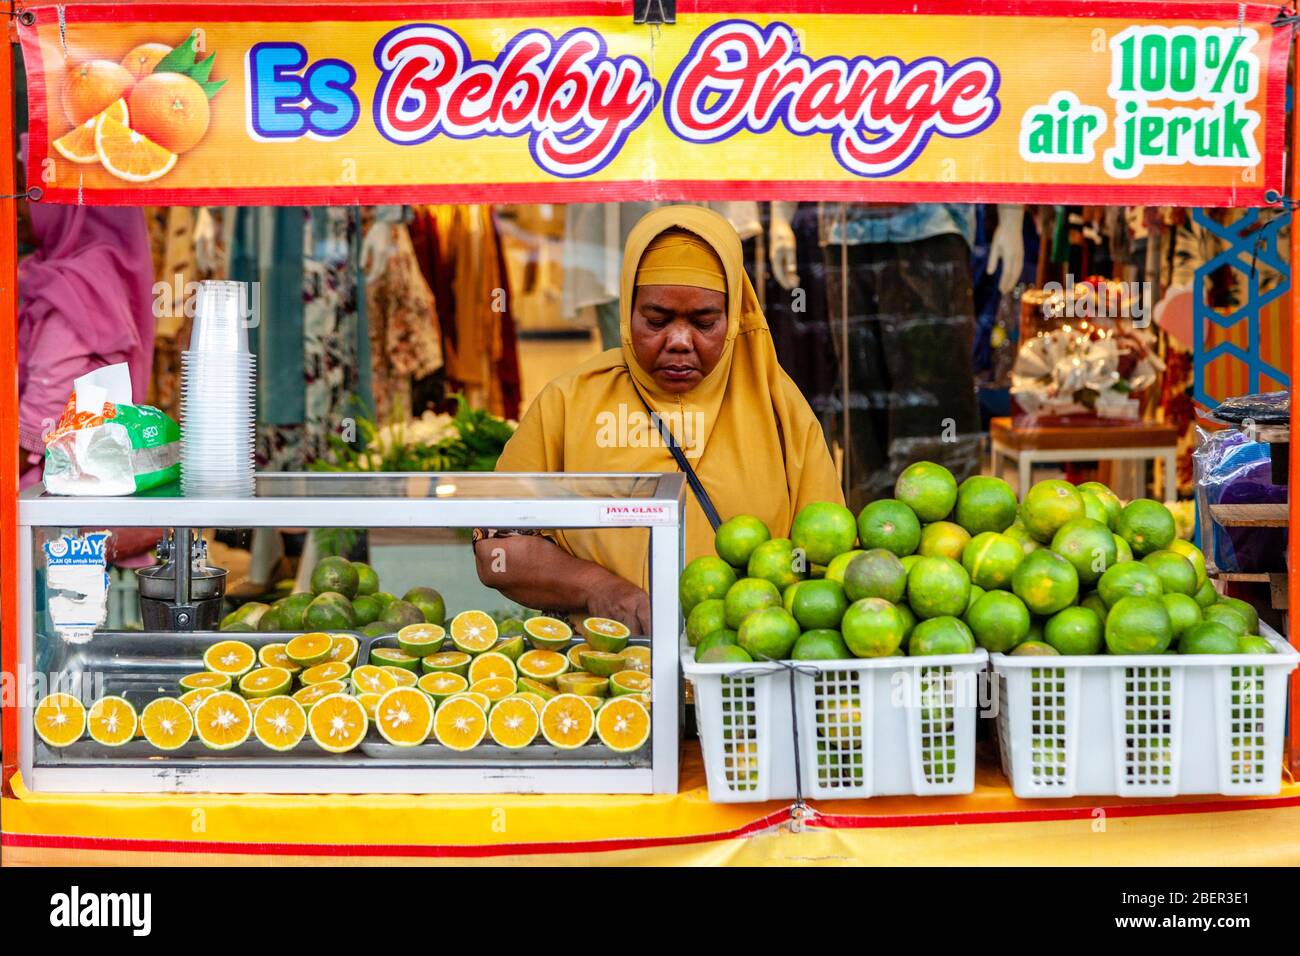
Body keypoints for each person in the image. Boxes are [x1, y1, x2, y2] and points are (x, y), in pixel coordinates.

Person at [475, 205, 843, 632]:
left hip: (745, 674)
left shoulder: (781, 409)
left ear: (734, 317)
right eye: (656, 320)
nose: (680, 342)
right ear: (629, 313)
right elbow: (497, 553)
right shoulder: (568, 401)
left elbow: (827, 554)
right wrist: (598, 588)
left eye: (705, 322)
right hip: (606, 677)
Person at [17, 134, 156, 490]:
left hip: (52, 497)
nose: (15, 207)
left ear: (62, 200)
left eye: (26, 192)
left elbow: (35, 425)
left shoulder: (76, 288)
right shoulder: (97, 270)